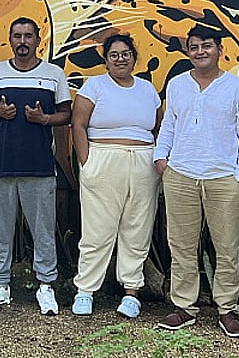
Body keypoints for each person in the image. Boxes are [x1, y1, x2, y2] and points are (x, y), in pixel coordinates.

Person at [153, 25, 239, 337]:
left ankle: (227, 309)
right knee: (181, 245)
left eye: (207, 46)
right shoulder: (177, 85)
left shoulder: (237, 88)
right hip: (181, 174)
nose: (200, 52)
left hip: (223, 178)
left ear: (219, 50)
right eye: (194, 47)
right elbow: (169, 124)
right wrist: (162, 159)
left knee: (226, 247)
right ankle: (185, 307)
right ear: (188, 51)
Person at [0, 17, 71, 315]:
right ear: (10, 39)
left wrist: (45, 120)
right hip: (1, 164)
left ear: (37, 39)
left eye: (28, 35)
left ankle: (45, 286)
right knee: (0, 229)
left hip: (39, 166)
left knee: (42, 230)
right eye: (17, 35)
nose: (22, 40)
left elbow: (66, 113)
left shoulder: (53, 74)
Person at [70, 33, 162, 319]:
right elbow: (78, 123)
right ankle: (85, 290)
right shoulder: (95, 86)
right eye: (114, 54)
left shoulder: (147, 89)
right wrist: (87, 162)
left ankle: (132, 291)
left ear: (134, 57)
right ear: (106, 59)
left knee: (137, 228)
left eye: (125, 54)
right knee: (98, 230)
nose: (120, 59)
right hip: (103, 159)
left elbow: (159, 126)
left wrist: (155, 156)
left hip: (143, 163)